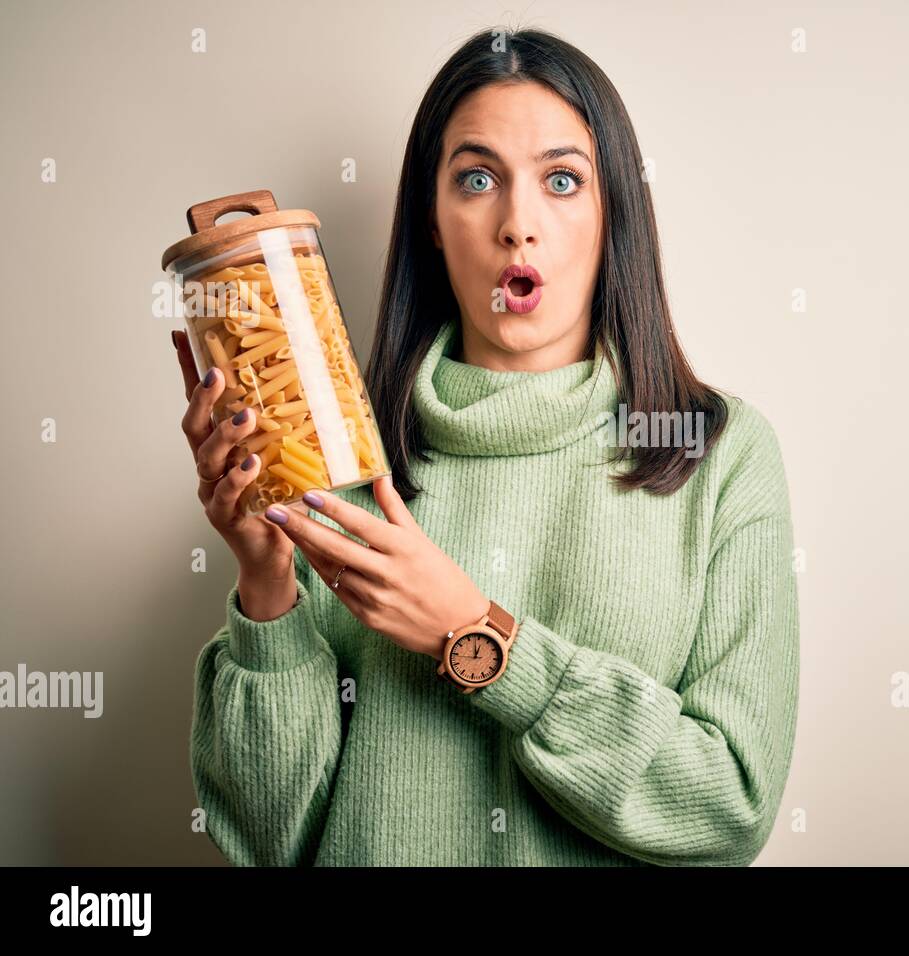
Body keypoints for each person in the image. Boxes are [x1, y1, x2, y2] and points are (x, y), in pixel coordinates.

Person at [175, 26, 799, 867]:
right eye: (476, 179)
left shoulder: (719, 455)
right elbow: (266, 843)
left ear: (613, 213)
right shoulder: (330, 467)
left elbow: (729, 808)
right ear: (432, 222)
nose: (518, 224)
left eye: (563, 181)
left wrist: (475, 639)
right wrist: (265, 582)